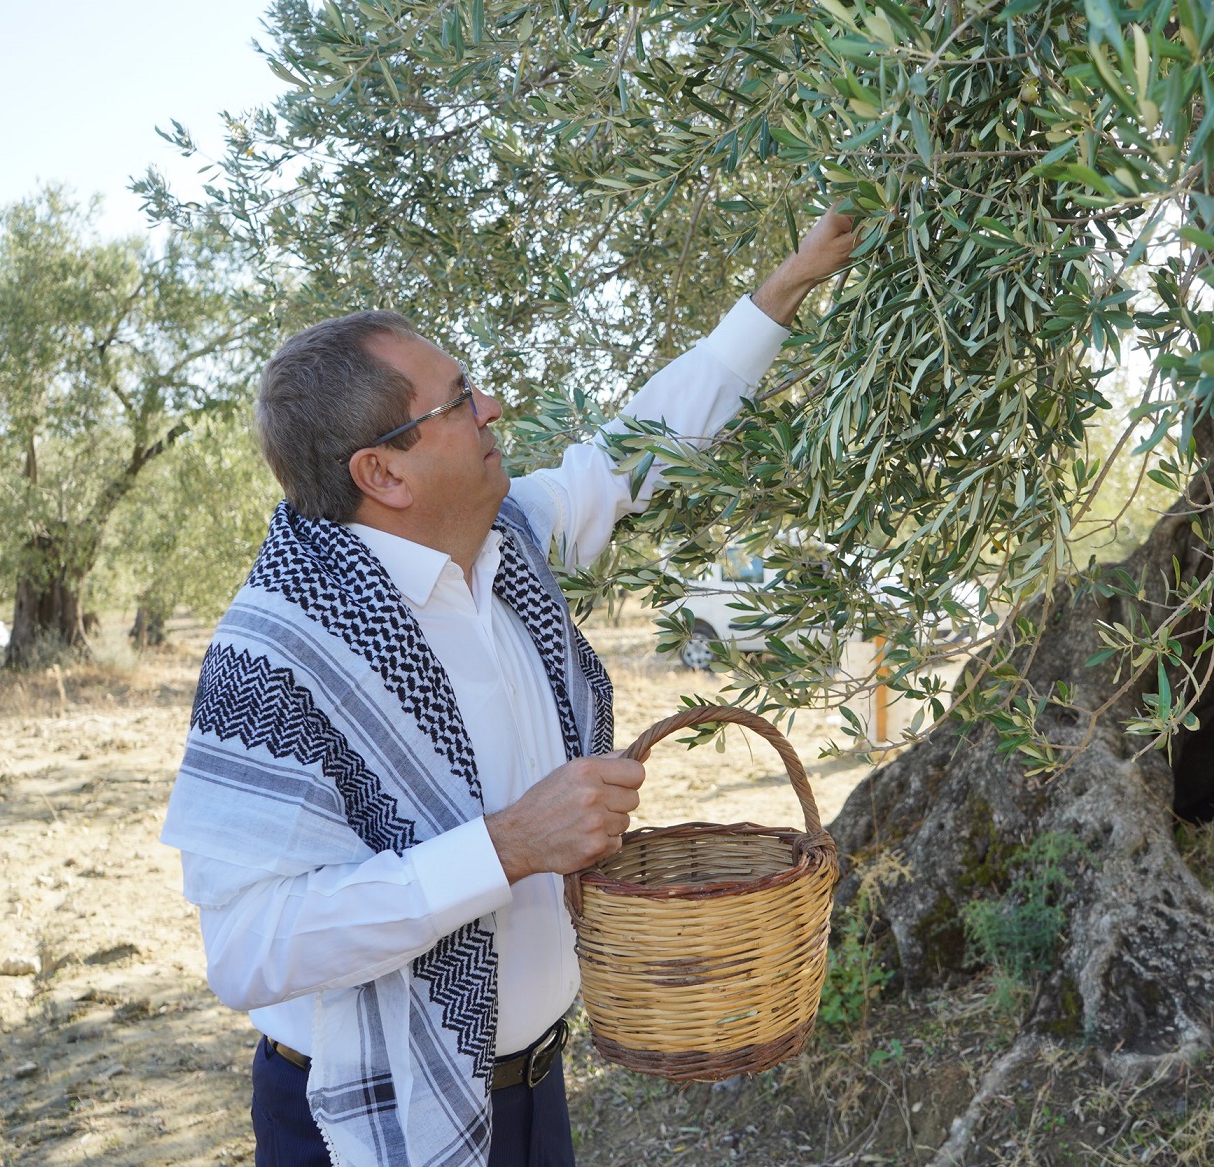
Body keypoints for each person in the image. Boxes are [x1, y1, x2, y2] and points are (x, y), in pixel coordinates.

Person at [160, 206, 857, 1167]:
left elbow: (623, 456)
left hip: (533, 1093)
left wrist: (778, 296)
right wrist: (508, 845)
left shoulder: (504, 544)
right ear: (384, 472)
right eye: (460, 401)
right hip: (368, 1119)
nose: (493, 410)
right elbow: (248, 947)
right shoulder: (278, 653)